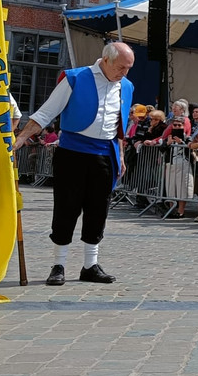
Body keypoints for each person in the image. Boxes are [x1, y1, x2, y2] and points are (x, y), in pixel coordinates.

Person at [14, 41, 135, 286]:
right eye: (121, 67)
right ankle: (58, 265)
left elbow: (118, 126)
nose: (124, 73)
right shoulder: (75, 78)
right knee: (66, 208)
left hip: (105, 154)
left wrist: (120, 156)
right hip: (72, 153)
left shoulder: (126, 86)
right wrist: (20, 139)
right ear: (106, 59)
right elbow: (46, 112)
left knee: (98, 210)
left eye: (128, 68)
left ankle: (90, 265)